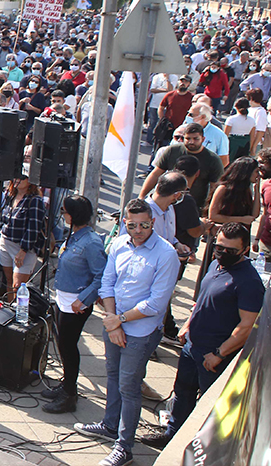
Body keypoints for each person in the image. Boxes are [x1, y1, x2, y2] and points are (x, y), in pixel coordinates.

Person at [74, 198, 180, 466]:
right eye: (132, 225)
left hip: (141, 331)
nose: (138, 231)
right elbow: (108, 282)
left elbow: (156, 303)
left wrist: (117, 321)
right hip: (115, 323)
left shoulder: (166, 254)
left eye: (144, 225)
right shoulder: (120, 243)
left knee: (129, 386)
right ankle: (110, 425)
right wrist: (112, 319)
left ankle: (124, 447)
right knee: (112, 375)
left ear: (153, 223)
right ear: (124, 223)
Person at [142, 222, 264, 449]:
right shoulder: (215, 265)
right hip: (192, 347)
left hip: (214, 355)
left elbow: (247, 325)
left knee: (212, 405)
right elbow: (201, 300)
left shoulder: (249, 281)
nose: (223, 253)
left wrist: (219, 353)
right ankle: (174, 436)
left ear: (244, 250)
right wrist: (188, 324)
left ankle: (208, 448)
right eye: (219, 247)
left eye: (230, 251)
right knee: (182, 393)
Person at [40, 195, 106, 414]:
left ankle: (69, 395)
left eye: (65, 212)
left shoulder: (91, 242)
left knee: (68, 347)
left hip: (75, 304)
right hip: (64, 299)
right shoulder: (75, 236)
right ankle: (67, 384)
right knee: (63, 345)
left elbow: (101, 276)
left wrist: (84, 299)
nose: (63, 216)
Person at [142, 123, 223, 213]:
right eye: (188, 138)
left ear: (203, 139)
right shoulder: (172, 151)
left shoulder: (213, 159)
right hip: (168, 204)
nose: (191, 142)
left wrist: (207, 211)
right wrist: (142, 197)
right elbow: (155, 174)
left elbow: (214, 188)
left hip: (194, 206)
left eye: (196, 139)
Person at [0, 176, 47, 301]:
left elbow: (34, 227)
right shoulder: (9, 196)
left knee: (18, 285)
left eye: (23, 177)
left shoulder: (35, 200)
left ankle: (19, 313)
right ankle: (10, 309)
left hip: (23, 248)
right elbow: (2, 220)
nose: (17, 179)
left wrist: (23, 250)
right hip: (5, 242)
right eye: (15, 177)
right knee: (9, 281)